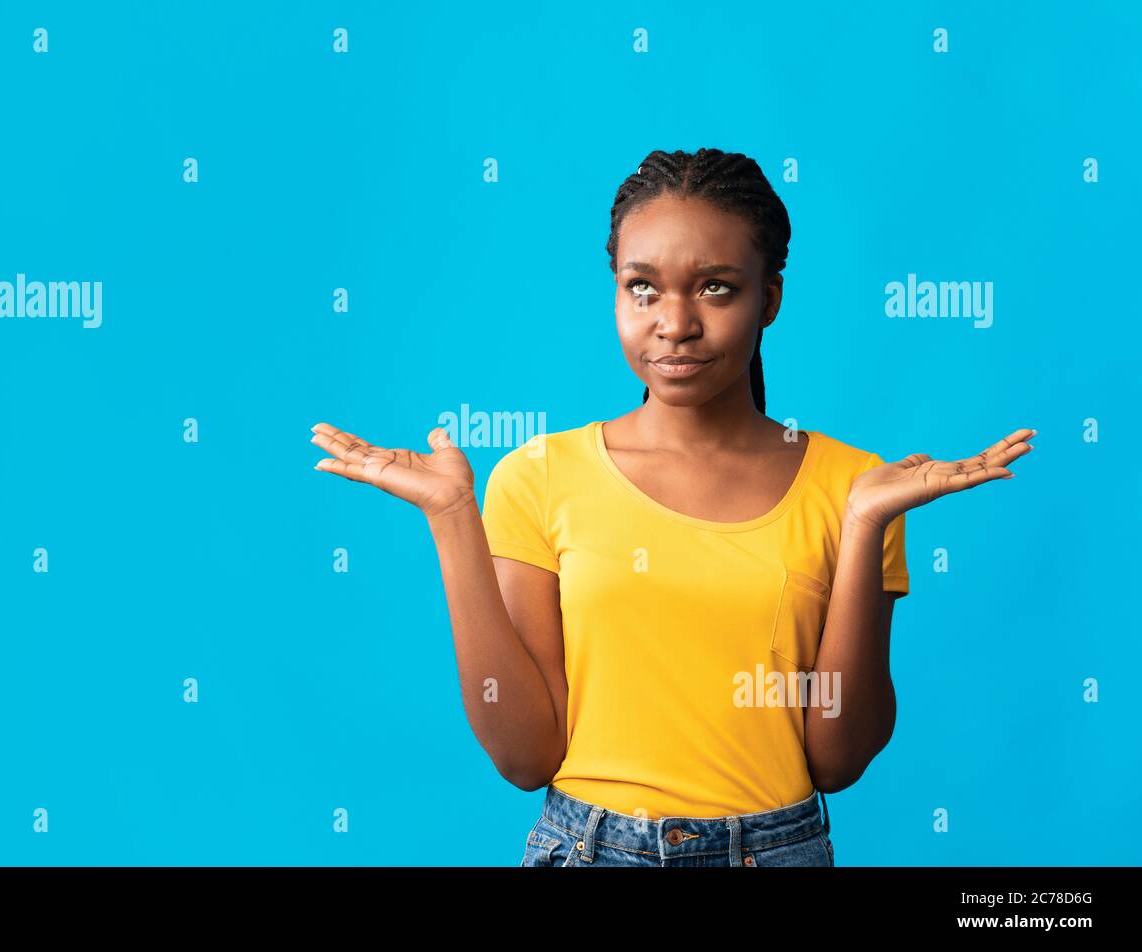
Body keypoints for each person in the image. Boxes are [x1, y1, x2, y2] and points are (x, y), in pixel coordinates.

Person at [309, 147, 1034, 867]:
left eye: (716, 288)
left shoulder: (857, 487)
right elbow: (526, 757)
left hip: (777, 850)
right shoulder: (537, 476)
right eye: (643, 288)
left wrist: (866, 523)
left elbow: (839, 762)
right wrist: (452, 518)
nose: (676, 323)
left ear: (769, 298)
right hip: (591, 849)